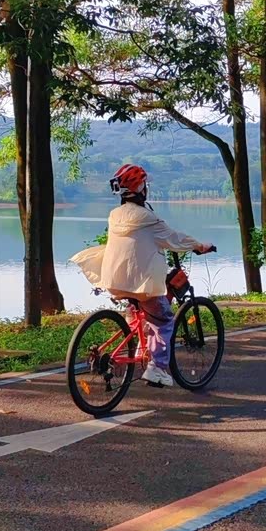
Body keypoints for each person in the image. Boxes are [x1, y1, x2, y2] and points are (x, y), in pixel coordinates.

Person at [70, 163, 213, 387]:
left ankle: (139, 345)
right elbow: (174, 239)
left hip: (115, 281)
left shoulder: (114, 215)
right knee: (164, 320)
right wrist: (200, 246)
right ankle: (157, 369)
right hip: (140, 285)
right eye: (145, 185)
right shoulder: (148, 218)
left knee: (142, 310)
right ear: (141, 189)